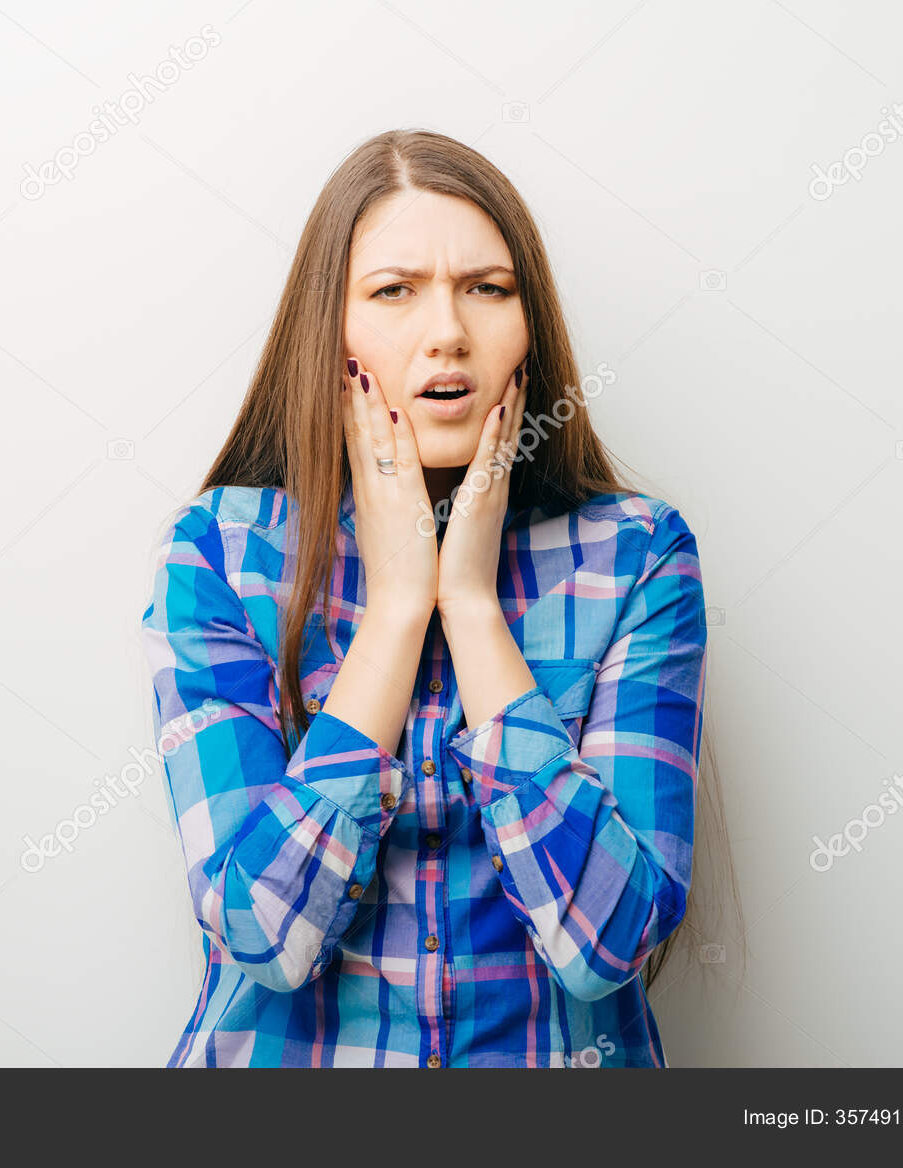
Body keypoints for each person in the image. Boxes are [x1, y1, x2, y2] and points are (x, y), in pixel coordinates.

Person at [142, 129, 718, 1067]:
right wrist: (400, 607)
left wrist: (474, 608)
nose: (447, 330)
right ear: (329, 331)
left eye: (488, 289)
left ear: (531, 329)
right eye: (394, 291)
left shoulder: (638, 556)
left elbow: (609, 944)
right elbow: (262, 935)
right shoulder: (223, 554)